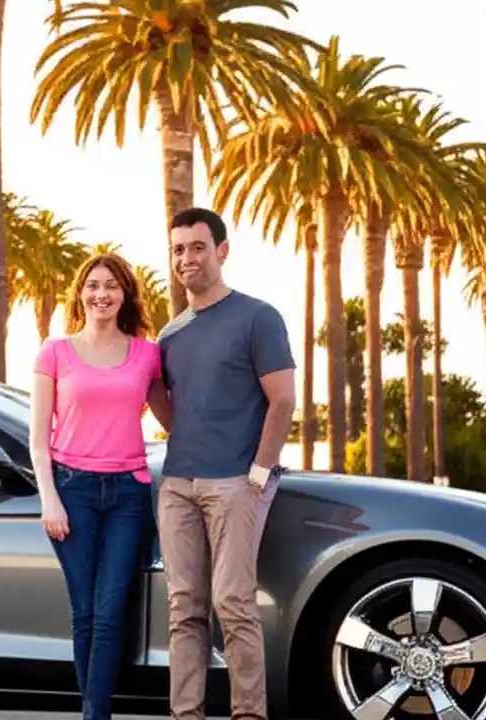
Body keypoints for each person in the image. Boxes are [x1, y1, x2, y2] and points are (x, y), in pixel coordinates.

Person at [156, 207, 297, 720]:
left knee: (234, 605)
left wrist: (258, 474)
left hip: (236, 482)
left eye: (197, 247)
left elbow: (283, 400)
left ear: (221, 250)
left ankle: (248, 715)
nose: (186, 258)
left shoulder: (257, 317)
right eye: (177, 249)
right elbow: (172, 409)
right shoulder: (170, 335)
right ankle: (185, 714)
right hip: (178, 485)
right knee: (183, 609)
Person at [30, 251, 173, 720]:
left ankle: (96, 715)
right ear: (80, 293)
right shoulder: (55, 353)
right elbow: (38, 440)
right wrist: (49, 499)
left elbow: (173, 419)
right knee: (86, 612)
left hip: (128, 494)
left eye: (111, 285)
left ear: (125, 294)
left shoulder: (147, 354)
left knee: (112, 611)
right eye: (92, 285)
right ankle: (95, 713)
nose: (101, 293)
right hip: (72, 491)